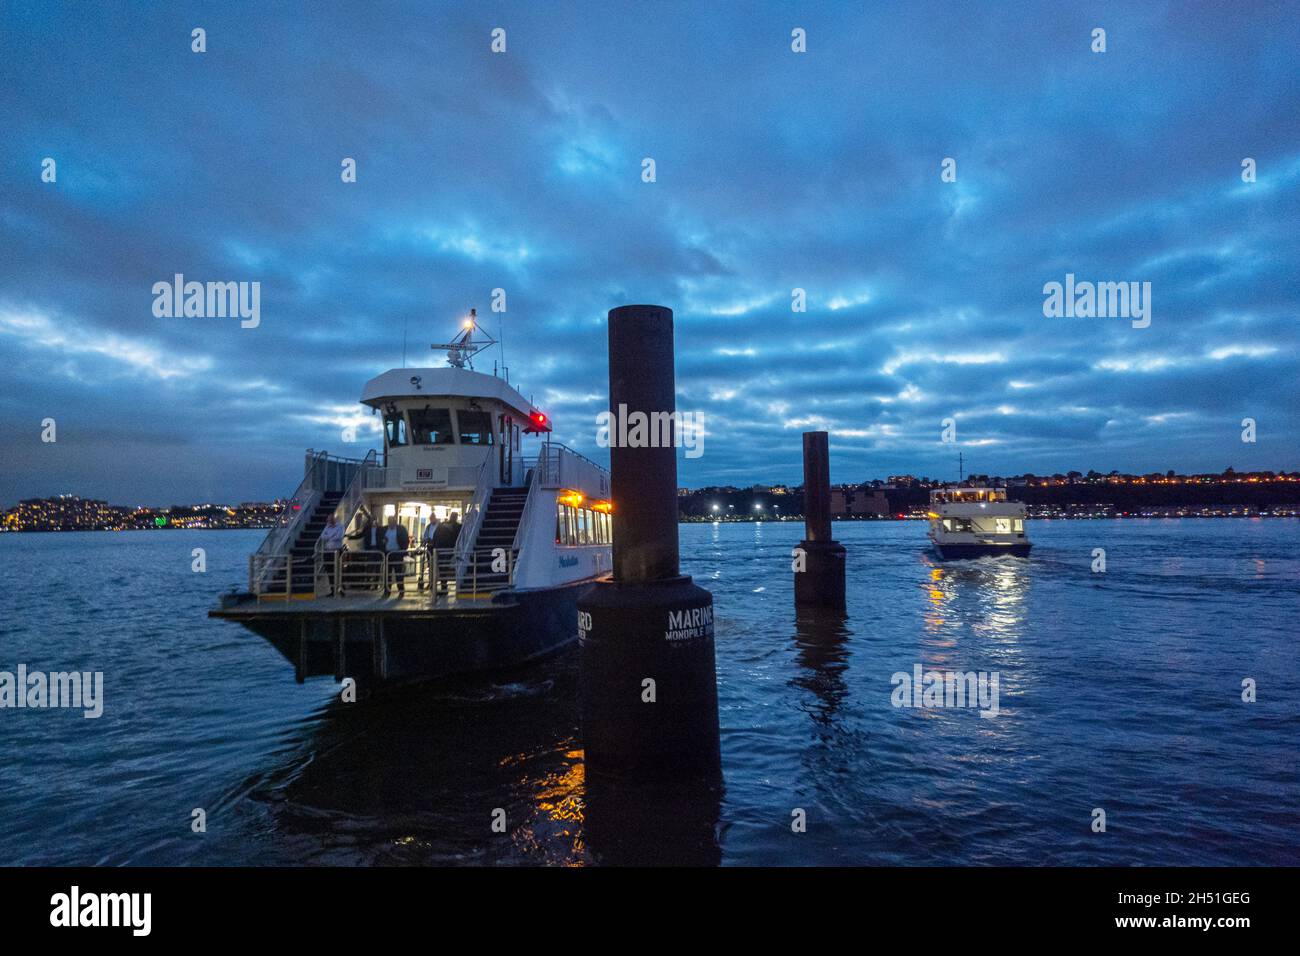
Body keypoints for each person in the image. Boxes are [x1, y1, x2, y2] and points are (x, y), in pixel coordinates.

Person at [432, 510, 461, 596]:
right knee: (444, 568)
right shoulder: (458, 527)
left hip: (442, 549)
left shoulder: (443, 525)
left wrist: (435, 545)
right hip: (449, 549)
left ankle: (443, 587)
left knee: (442, 568)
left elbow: (435, 536)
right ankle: (444, 587)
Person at [382, 514, 410, 596]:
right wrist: (383, 542)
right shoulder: (384, 529)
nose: (391, 524)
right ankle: (387, 591)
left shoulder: (401, 529)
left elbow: (406, 540)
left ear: (395, 522)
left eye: (392, 522)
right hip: (387, 554)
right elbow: (380, 538)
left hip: (397, 553)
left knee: (399, 573)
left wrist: (403, 549)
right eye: (389, 522)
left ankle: (401, 590)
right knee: (387, 573)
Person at [319, 515, 344, 596]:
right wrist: (331, 536)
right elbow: (322, 536)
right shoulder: (327, 527)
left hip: (337, 550)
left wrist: (329, 537)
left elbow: (339, 536)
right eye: (327, 520)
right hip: (328, 551)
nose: (328, 522)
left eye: (329, 520)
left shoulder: (340, 526)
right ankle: (332, 590)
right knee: (330, 571)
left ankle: (341, 589)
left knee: (339, 570)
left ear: (333, 519)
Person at [421, 515, 442, 592]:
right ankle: (431, 583)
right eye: (430, 519)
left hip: (438, 547)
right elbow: (425, 536)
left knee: (438, 566)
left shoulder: (440, 526)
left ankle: (439, 583)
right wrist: (426, 540)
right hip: (430, 548)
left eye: (432, 519)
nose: (431, 520)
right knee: (431, 566)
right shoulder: (428, 527)